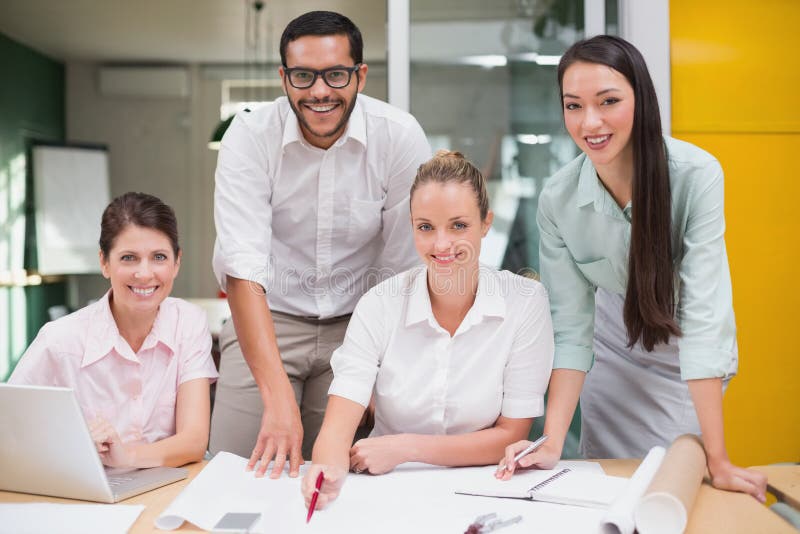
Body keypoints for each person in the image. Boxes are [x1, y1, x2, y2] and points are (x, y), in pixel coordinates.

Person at [496, 35, 767, 501]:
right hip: (612, 350)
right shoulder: (558, 198)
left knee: (670, 486)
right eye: (574, 105)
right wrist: (553, 441)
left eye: (609, 101)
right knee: (610, 483)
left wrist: (718, 459)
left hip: (683, 348)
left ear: (641, 99)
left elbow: (705, 320)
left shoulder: (696, 175)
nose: (590, 122)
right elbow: (571, 328)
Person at [210, 10, 431, 478]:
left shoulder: (399, 136)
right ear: (284, 78)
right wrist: (278, 403)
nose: (319, 91)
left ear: (360, 76)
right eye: (303, 76)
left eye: (335, 75)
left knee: (340, 479)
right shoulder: (249, 136)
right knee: (232, 470)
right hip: (269, 317)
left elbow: (403, 268)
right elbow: (243, 269)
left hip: (359, 324)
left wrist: (380, 368)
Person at [300, 150, 554, 509]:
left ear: (486, 223)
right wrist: (326, 471)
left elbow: (511, 435)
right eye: (425, 227)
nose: (441, 244)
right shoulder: (379, 304)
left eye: (458, 225)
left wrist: (405, 447)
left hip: (486, 490)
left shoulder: (525, 302)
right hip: (389, 492)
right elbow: (336, 431)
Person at [9, 192, 218, 468]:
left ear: (176, 262)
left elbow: (193, 441)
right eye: (129, 258)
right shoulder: (59, 340)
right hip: (85, 483)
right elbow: (9, 427)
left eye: (159, 257)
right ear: (104, 263)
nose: (145, 274)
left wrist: (126, 456)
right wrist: (74, 443)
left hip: (168, 481)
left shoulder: (188, 322)